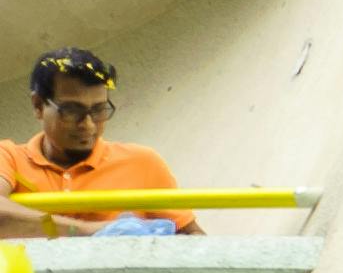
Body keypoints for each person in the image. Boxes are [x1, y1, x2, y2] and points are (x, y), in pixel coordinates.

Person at [4, 49, 200, 239]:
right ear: (38, 105)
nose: (88, 125)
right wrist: (90, 231)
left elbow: (194, 237)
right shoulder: (9, 157)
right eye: (72, 110)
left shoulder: (142, 162)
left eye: (99, 110)